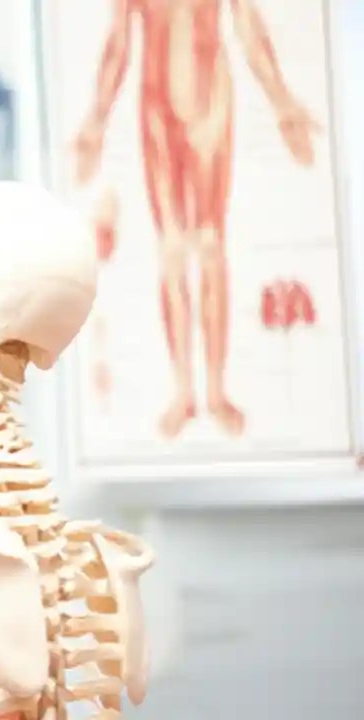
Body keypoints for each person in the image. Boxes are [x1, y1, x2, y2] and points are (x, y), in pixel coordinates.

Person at [70, 0, 319, 439]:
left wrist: (283, 103)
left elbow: (247, 23)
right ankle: (185, 392)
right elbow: (119, 43)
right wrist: (95, 120)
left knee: (208, 244)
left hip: (210, 102)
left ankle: (216, 392)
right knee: (171, 249)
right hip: (157, 106)